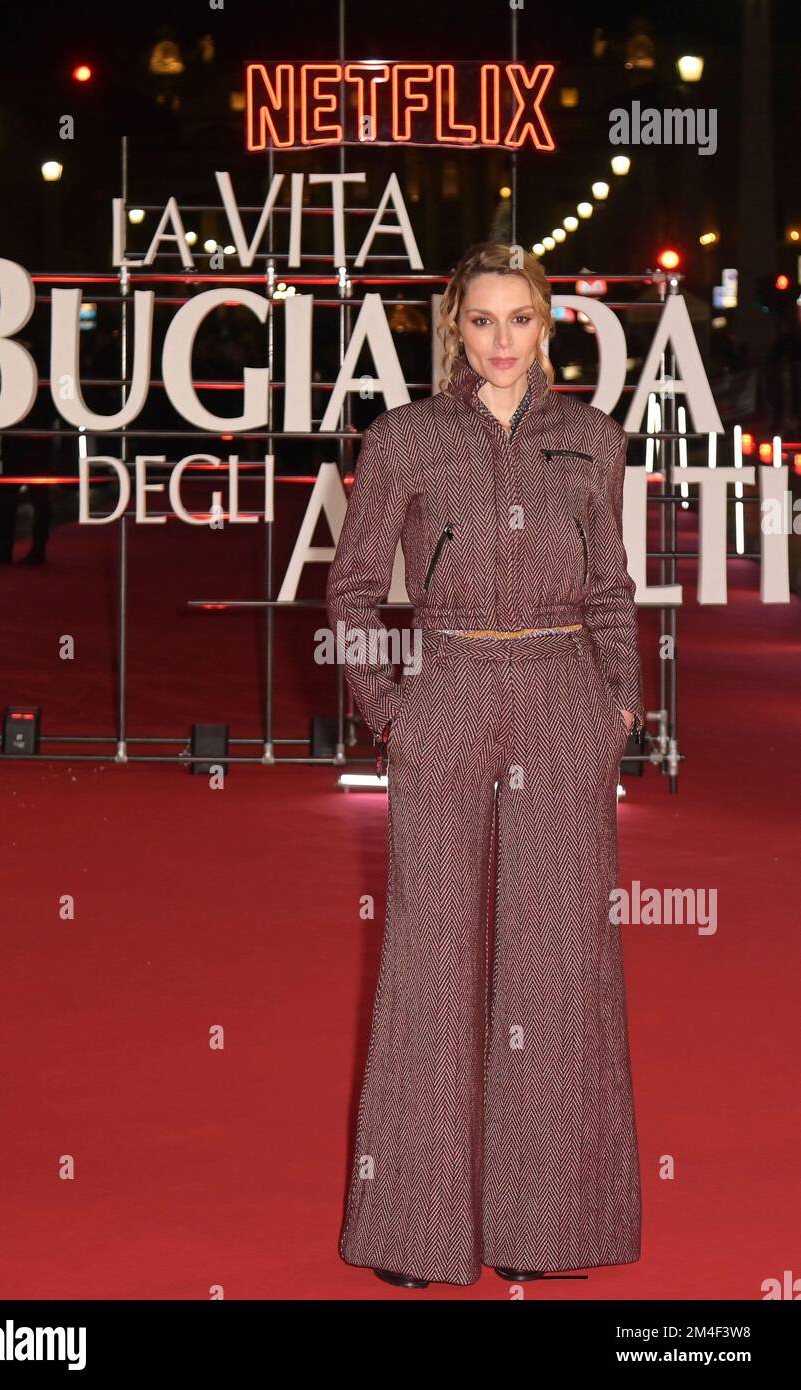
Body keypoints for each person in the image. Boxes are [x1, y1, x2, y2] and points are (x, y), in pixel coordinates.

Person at [326, 241, 645, 1289]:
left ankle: (548, 1229)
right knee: (428, 956)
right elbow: (352, 593)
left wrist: (615, 708)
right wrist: (390, 715)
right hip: (449, 691)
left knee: (559, 961)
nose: (499, 341)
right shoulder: (405, 440)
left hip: (561, 697)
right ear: (451, 329)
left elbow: (609, 592)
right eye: (479, 321)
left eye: (518, 319)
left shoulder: (591, 438)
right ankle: (414, 1233)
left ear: (544, 324)